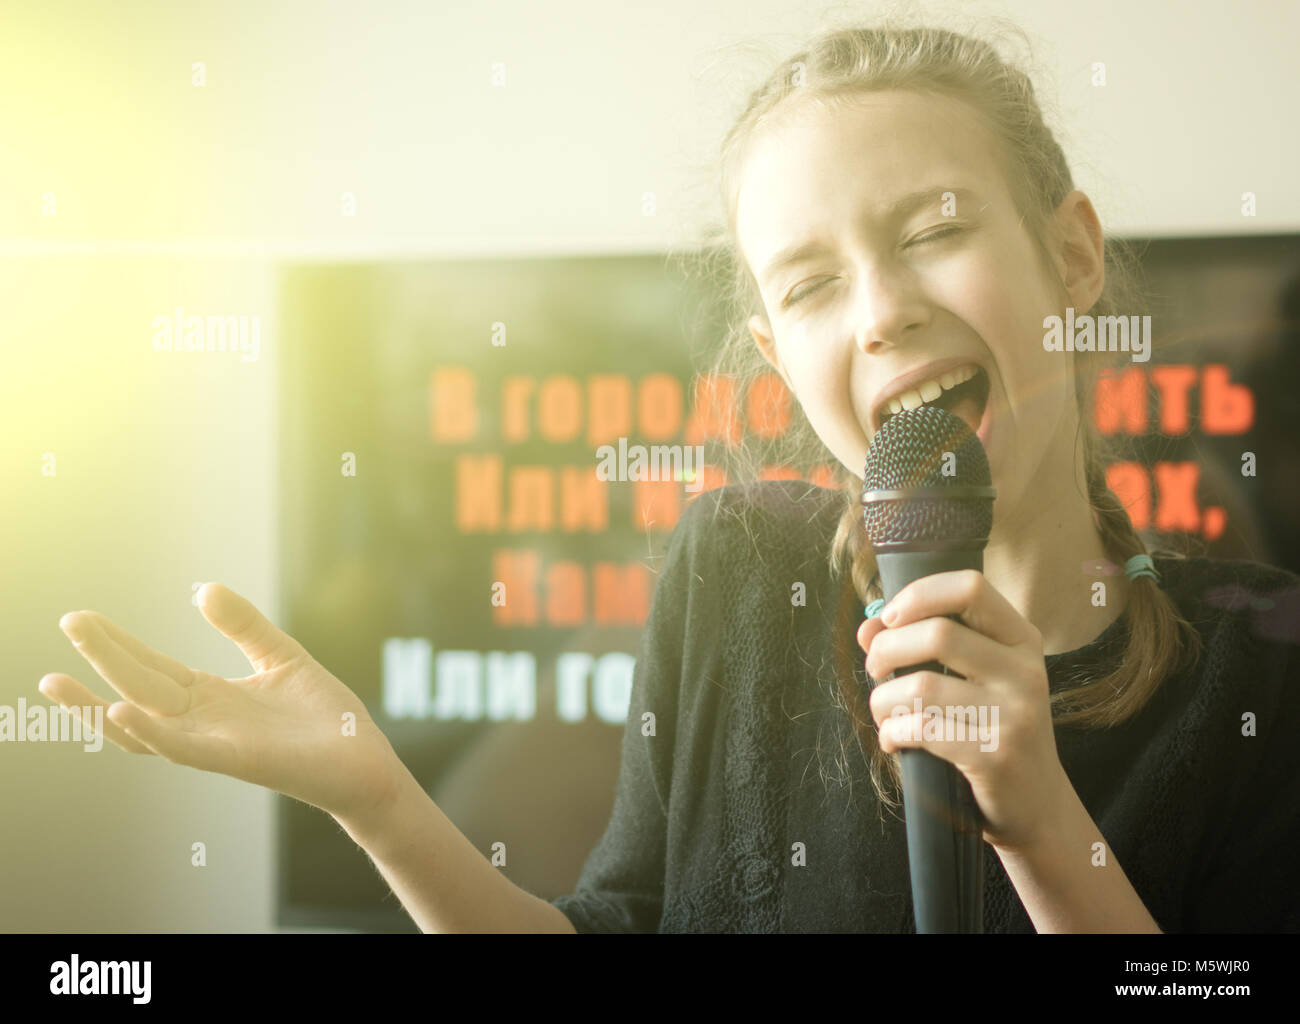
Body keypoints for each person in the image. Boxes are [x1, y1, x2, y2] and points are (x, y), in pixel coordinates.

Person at [39, 18, 1300, 933]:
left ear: (1070, 254)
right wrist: (374, 795)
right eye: (809, 285)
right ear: (776, 355)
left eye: (933, 232)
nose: (879, 314)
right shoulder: (738, 568)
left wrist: (1035, 819)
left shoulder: (1262, 663)